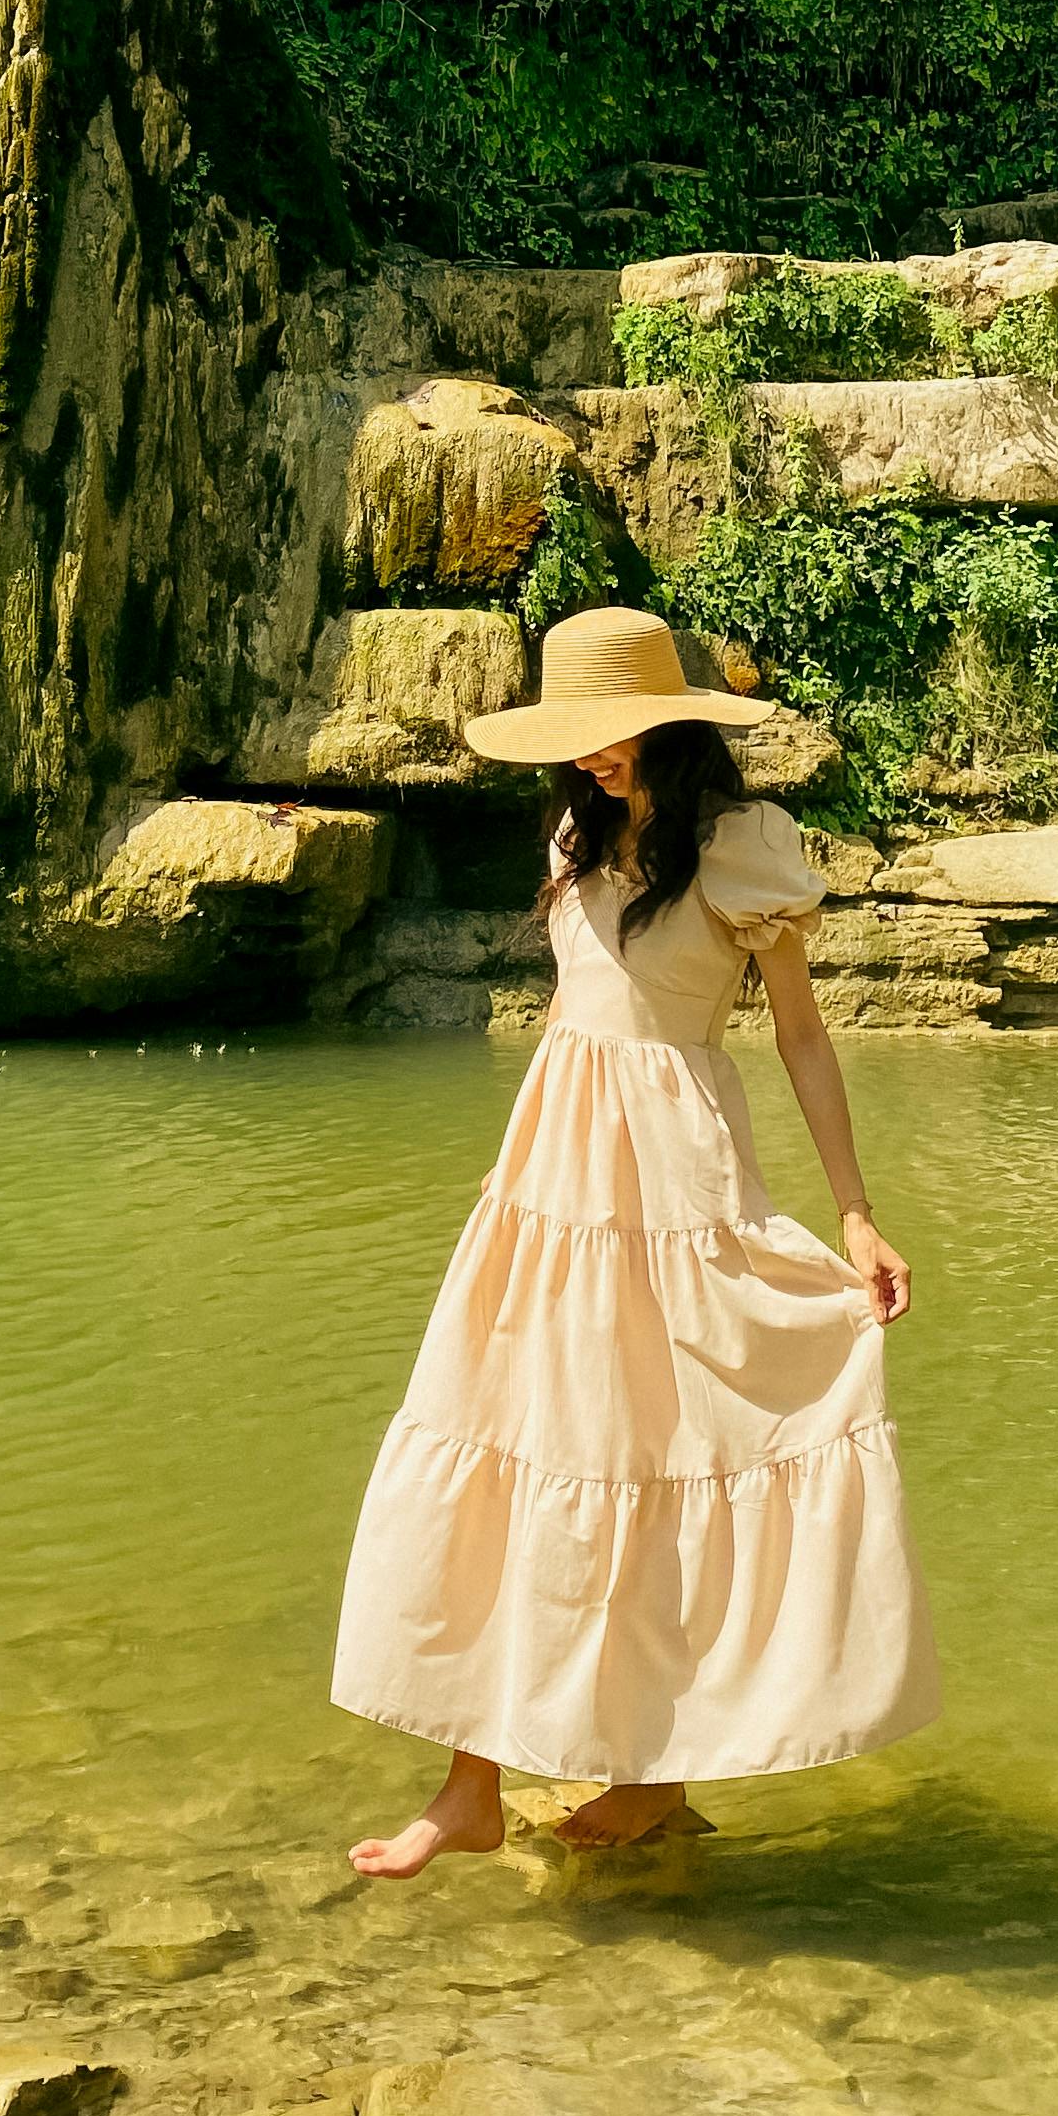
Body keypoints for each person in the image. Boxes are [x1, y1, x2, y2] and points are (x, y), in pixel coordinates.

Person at [335, 604, 939, 1877]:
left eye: (609, 737)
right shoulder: (575, 828)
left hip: (677, 1169)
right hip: (553, 1167)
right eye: (574, 740)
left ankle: (653, 1770)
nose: (591, 758)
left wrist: (854, 1211)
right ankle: (470, 1784)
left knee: (664, 1453)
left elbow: (802, 1038)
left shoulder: (742, 850)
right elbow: (579, 1007)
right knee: (507, 1432)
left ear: (669, 724)